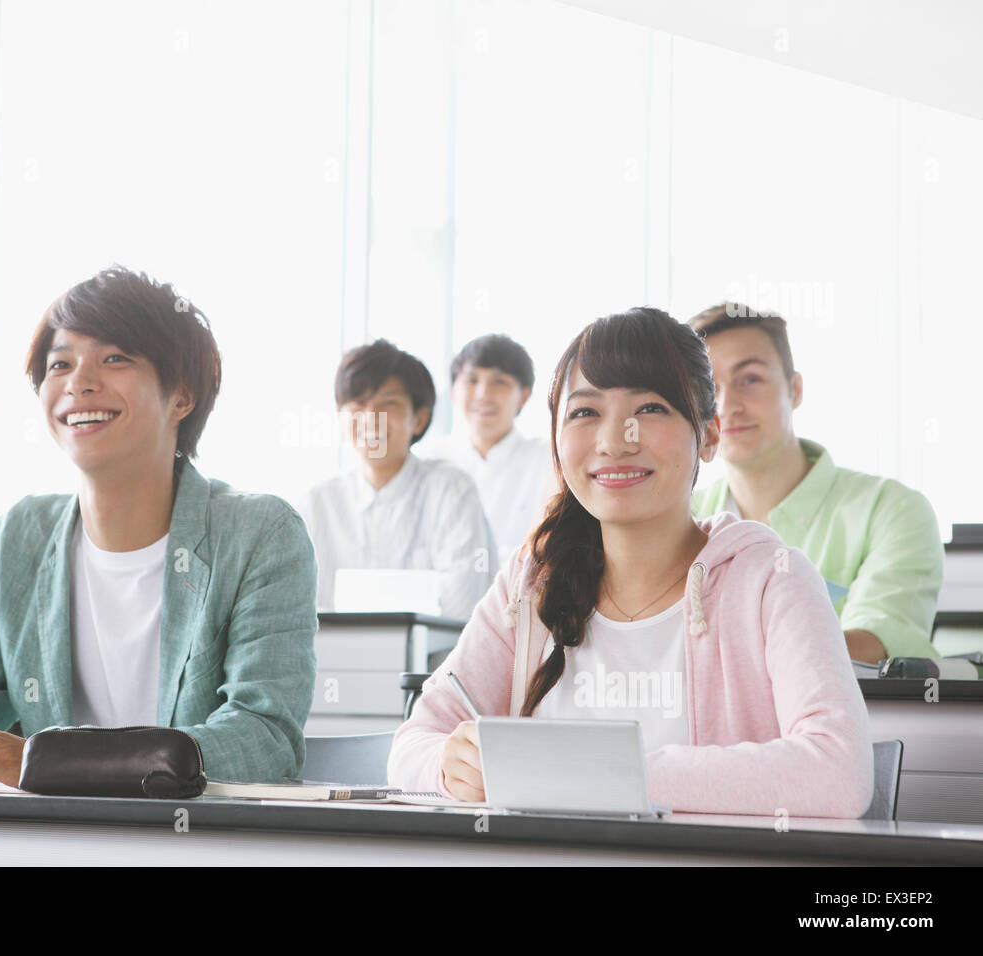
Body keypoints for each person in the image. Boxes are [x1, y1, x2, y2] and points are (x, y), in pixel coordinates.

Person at [0, 266, 318, 788]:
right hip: (57, 845)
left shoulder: (260, 533)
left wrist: (47, 761)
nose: (79, 382)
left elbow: (264, 737)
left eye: (115, 358)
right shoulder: (18, 538)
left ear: (181, 395)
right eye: (60, 364)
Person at [388, 308, 873, 818]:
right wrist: (449, 764)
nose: (615, 440)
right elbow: (412, 743)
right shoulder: (530, 583)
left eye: (650, 409)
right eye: (584, 413)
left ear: (708, 436)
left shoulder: (772, 578)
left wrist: (596, 774)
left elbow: (839, 773)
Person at [688, 303, 944, 663]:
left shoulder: (892, 510)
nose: (727, 405)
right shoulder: (683, 518)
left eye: (750, 379)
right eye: (709, 389)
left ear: (795, 389)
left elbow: (880, 644)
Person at [299, 339, 497, 621]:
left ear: (419, 419)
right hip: (334, 665)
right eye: (357, 403)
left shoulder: (451, 491)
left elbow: (461, 615)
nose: (370, 418)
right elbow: (302, 616)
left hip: (430, 665)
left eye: (387, 403)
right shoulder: (317, 503)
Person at [430, 333, 555, 563]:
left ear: (523, 396)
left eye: (499, 382)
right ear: (453, 393)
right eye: (471, 380)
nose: (483, 394)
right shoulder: (430, 461)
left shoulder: (548, 460)